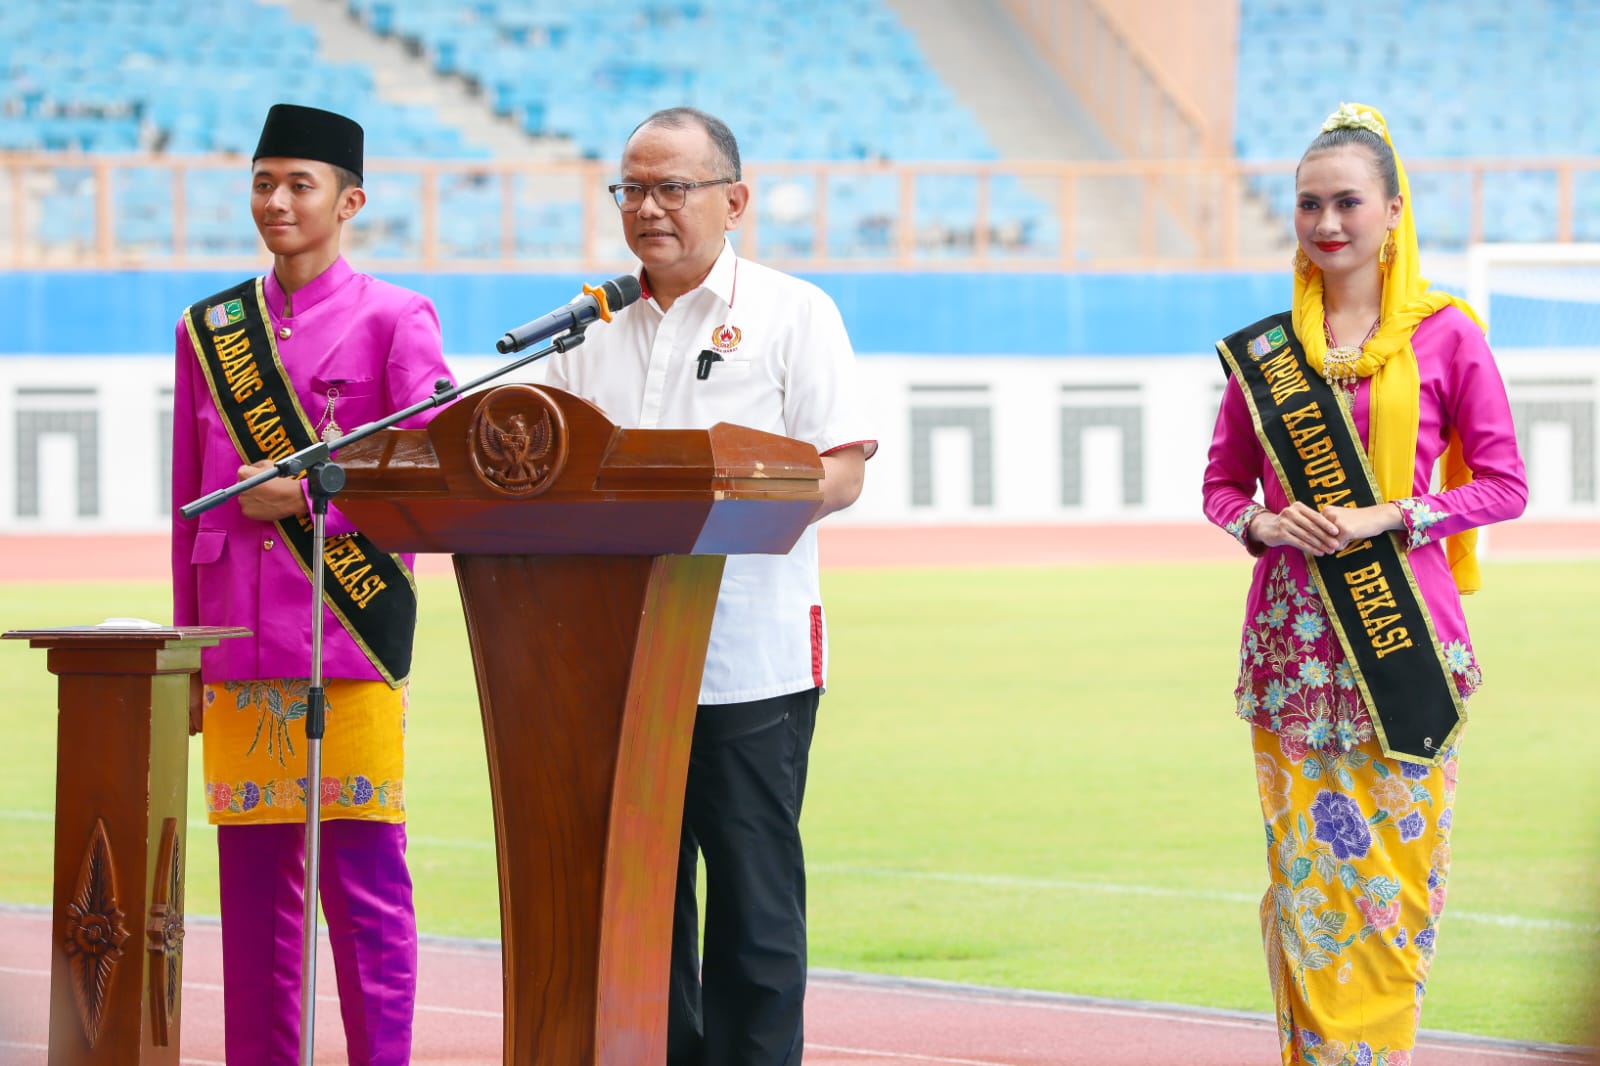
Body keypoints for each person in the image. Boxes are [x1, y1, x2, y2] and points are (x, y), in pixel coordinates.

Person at [543, 106, 875, 1066]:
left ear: (734, 201)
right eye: (632, 189)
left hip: (746, 657)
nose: (649, 208)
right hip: (618, 659)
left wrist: (726, 511)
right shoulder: (588, 327)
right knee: (640, 909)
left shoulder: (793, 312)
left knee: (752, 906)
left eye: (673, 188)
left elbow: (841, 471)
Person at [1202, 102, 1527, 1065]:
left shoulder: (1448, 336)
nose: (1327, 222)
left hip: (1405, 645)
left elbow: (1504, 485)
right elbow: (1221, 487)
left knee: (1394, 885)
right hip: (1294, 654)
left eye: (1348, 202)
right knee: (1307, 885)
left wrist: (1392, 516)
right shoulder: (1267, 354)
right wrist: (1264, 523)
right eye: (1309, 204)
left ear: (1393, 211)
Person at [170, 103, 455, 1066]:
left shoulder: (396, 318)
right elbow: (189, 504)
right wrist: (189, 653)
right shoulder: (210, 330)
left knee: (364, 888)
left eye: (300, 184)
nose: (277, 201)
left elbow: (432, 470)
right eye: (263, 183)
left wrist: (305, 494)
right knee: (252, 898)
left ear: (350, 202)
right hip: (236, 644)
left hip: (350, 637)